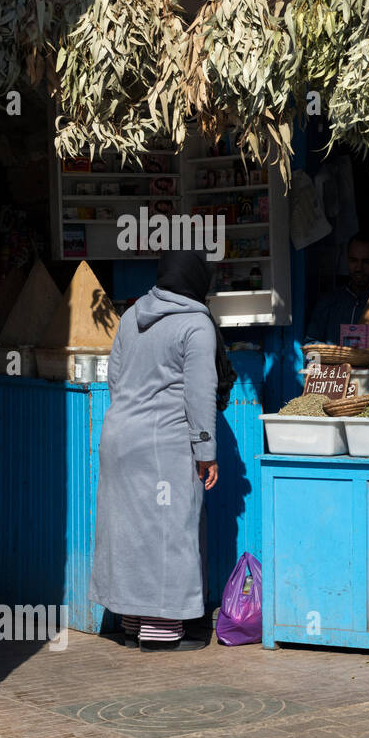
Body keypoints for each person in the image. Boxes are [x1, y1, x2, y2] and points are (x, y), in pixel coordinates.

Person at [90, 249, 234, 651]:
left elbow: (115, 381)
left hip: (119, 437)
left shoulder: (131, 316)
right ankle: (161, 628)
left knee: (130, 530)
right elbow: (199, 393)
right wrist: (206, 451)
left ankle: (133, 619)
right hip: (164, 443)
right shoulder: (196, 325)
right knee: (169, 530)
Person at [305, 233, 369, 343]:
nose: (359, 268)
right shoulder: (329, 302)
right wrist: (327, 358)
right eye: (353, 260)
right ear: (347, 260)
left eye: (366, 262)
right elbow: (310, 347)